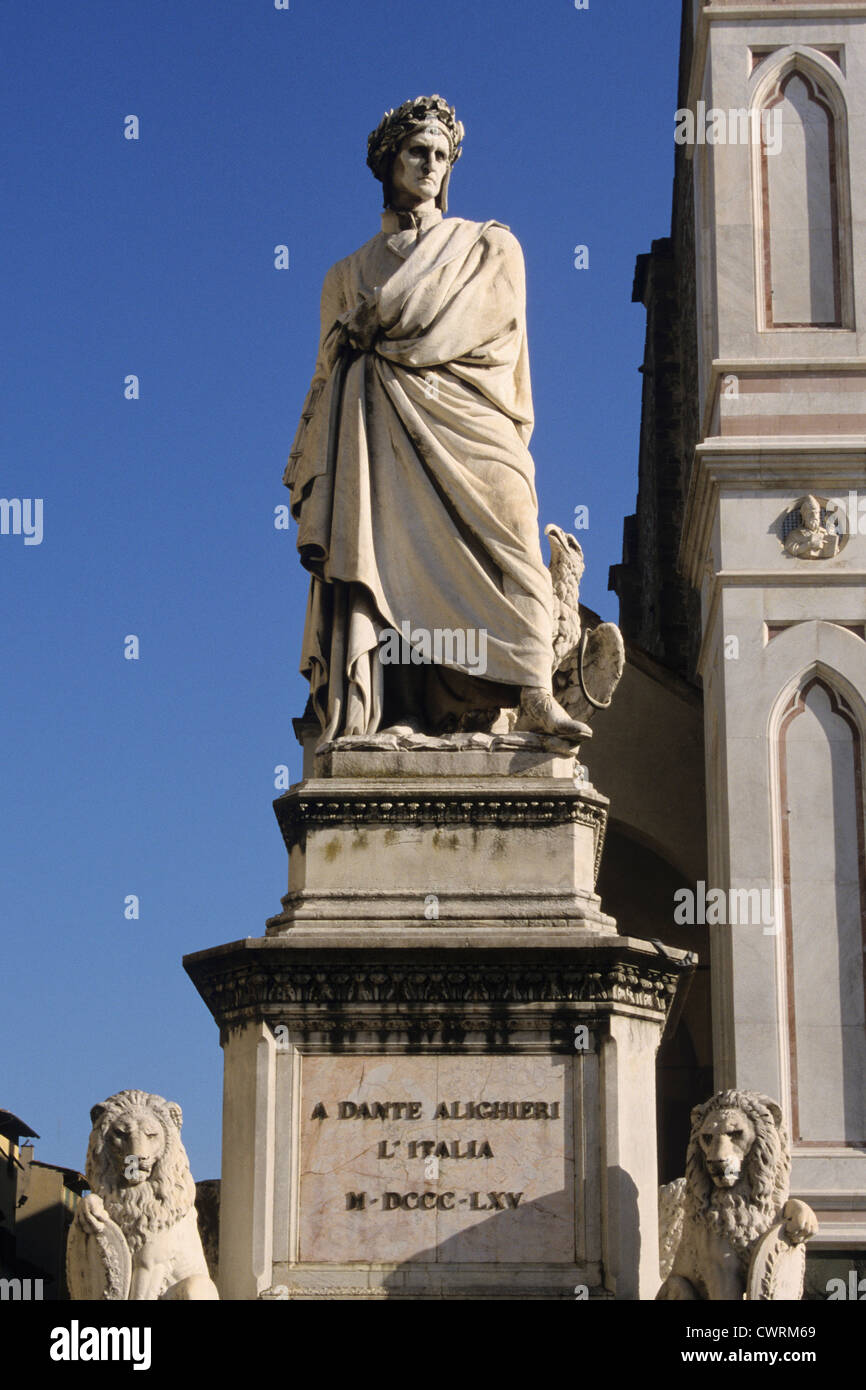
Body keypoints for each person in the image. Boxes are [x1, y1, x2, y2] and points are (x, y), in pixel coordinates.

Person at [284, 95, 586, 744]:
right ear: (388, 161)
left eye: (442, 156)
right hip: (379, 432)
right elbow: (325, 369)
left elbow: (490, 326)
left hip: (475, 420)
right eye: (417, 152)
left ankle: (531, 687)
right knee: (386, 557)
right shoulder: (345, 273)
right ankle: (399, 713)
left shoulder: (488, 246)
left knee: (515, 537)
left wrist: (383, 321)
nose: (431, 164)